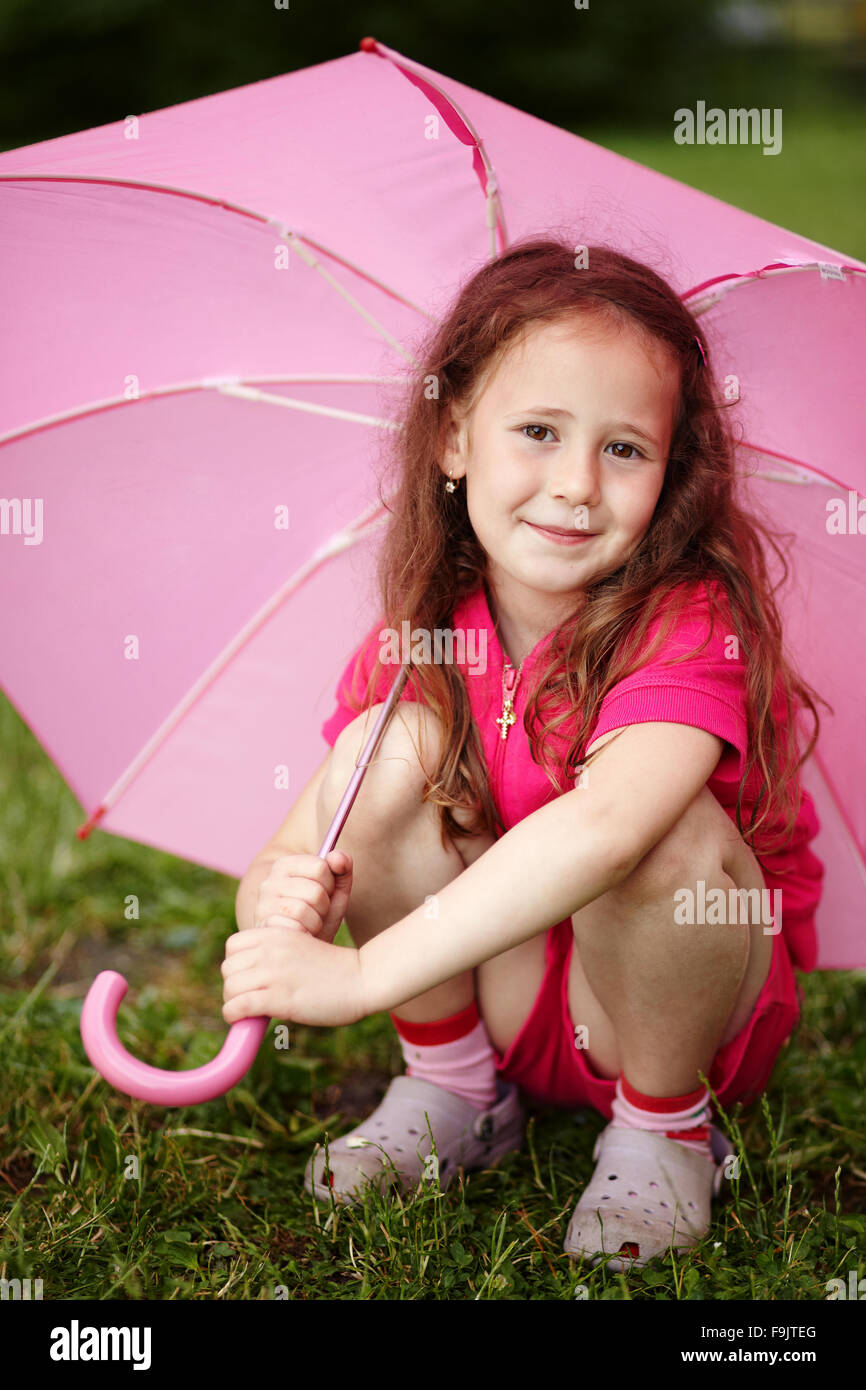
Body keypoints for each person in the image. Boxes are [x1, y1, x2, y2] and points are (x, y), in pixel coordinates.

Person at [222, 237, 826, 1272]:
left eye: (624, 449)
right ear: (453, 439)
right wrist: (284, 905)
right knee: (385, 742)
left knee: (662, 830)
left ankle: (663, 1128)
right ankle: (454, 1087)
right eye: (538, 431)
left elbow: (603, 833)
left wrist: (360, 974)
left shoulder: (688, 618)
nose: (576, 485)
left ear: (669, 471)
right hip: (498, 992)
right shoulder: (425, 634)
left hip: (656, 1005)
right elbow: (287, 857)